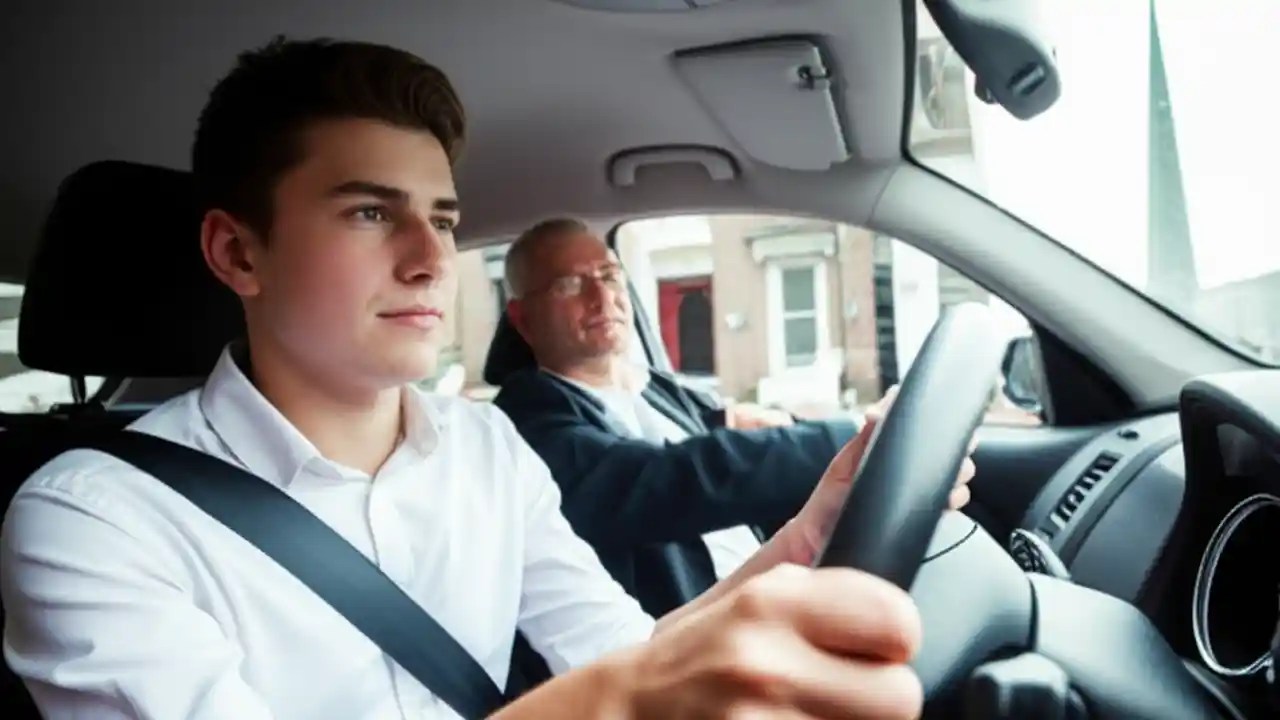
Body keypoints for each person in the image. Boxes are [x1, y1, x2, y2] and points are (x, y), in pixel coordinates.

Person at [0, 36, 964, 720]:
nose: (430, 258)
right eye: (371, 215)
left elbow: (628, 656)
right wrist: (622, 704)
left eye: (445, 219)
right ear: (237, 254)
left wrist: (805, 536)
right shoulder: (92, 518)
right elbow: (630, 688)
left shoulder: (485, 445)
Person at [494, 219, 974, 617]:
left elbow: (728, 430)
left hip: (778, 591)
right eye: (570, 285)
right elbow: (667, 477)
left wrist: (775, 422)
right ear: (523, 320)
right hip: (696, 636)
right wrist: (845, 441)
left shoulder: (654, 388)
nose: (603, 298)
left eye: (610, 275)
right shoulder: (527, 422)